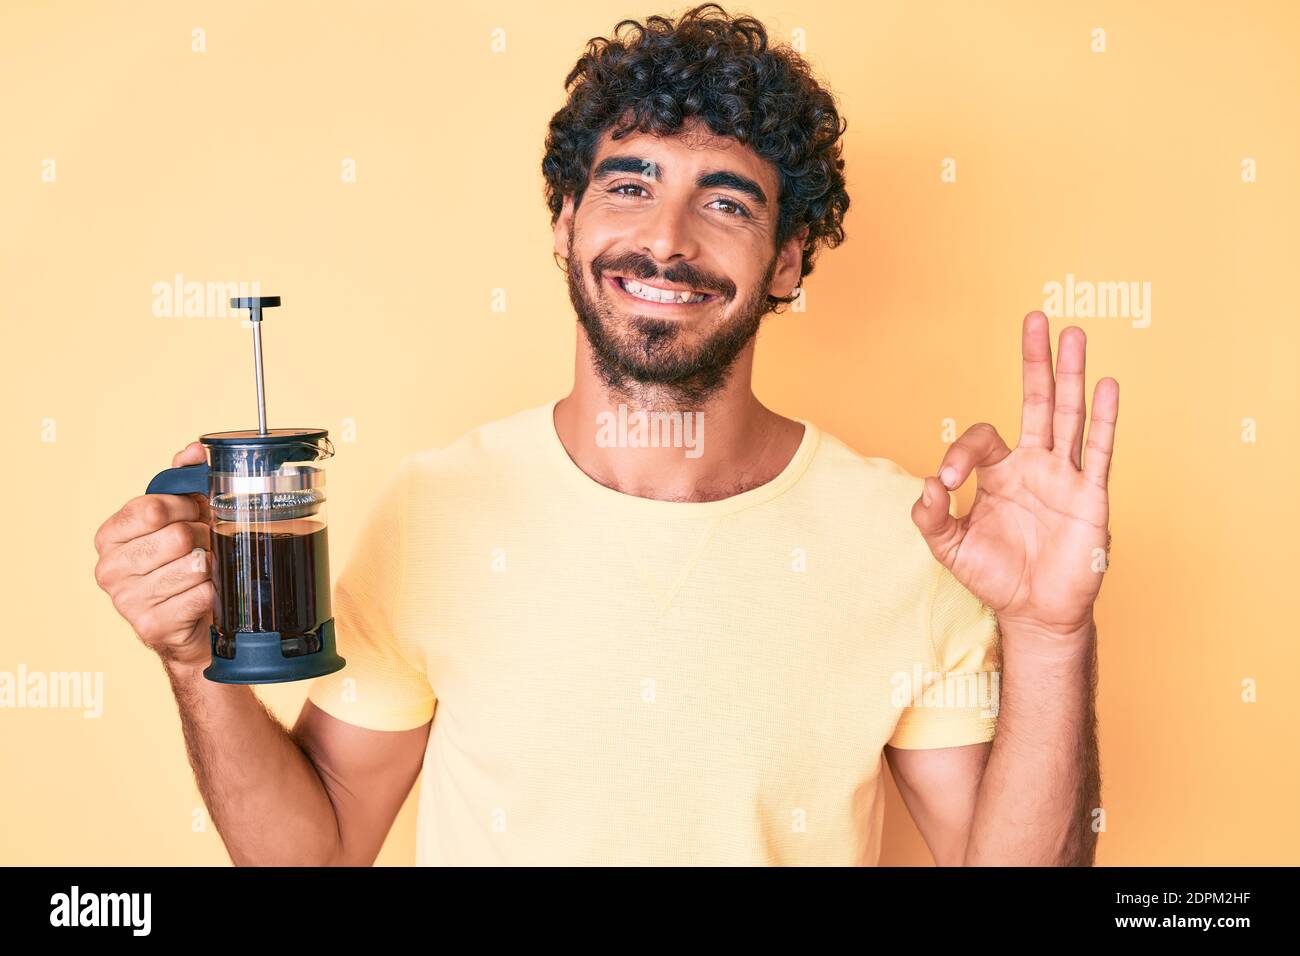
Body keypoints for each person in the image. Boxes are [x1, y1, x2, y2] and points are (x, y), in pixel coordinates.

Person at [93, 4, 1117, 866]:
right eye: (630, 185)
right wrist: (195, 661)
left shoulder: (910, 536)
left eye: (724, 202)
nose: (666, 239)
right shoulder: (435, 507)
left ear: (790, 261)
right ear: (563, 224)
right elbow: (310, 852)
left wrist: (1050, 634)